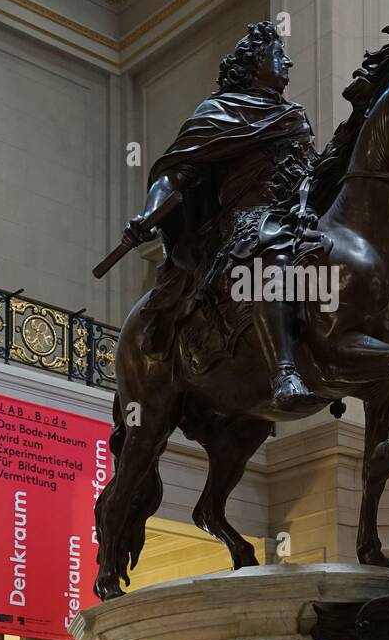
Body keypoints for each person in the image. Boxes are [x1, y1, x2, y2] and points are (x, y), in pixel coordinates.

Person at [125, 20, 326, 413]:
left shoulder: (292, 116)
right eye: (277, 54)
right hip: (245, 220)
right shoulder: (219, 111)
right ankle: (284, 371)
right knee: (274, 253)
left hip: (295, 212)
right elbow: (174, 173)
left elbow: (311, 170)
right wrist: (148, 214)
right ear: (254, 64)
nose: (287, 60)